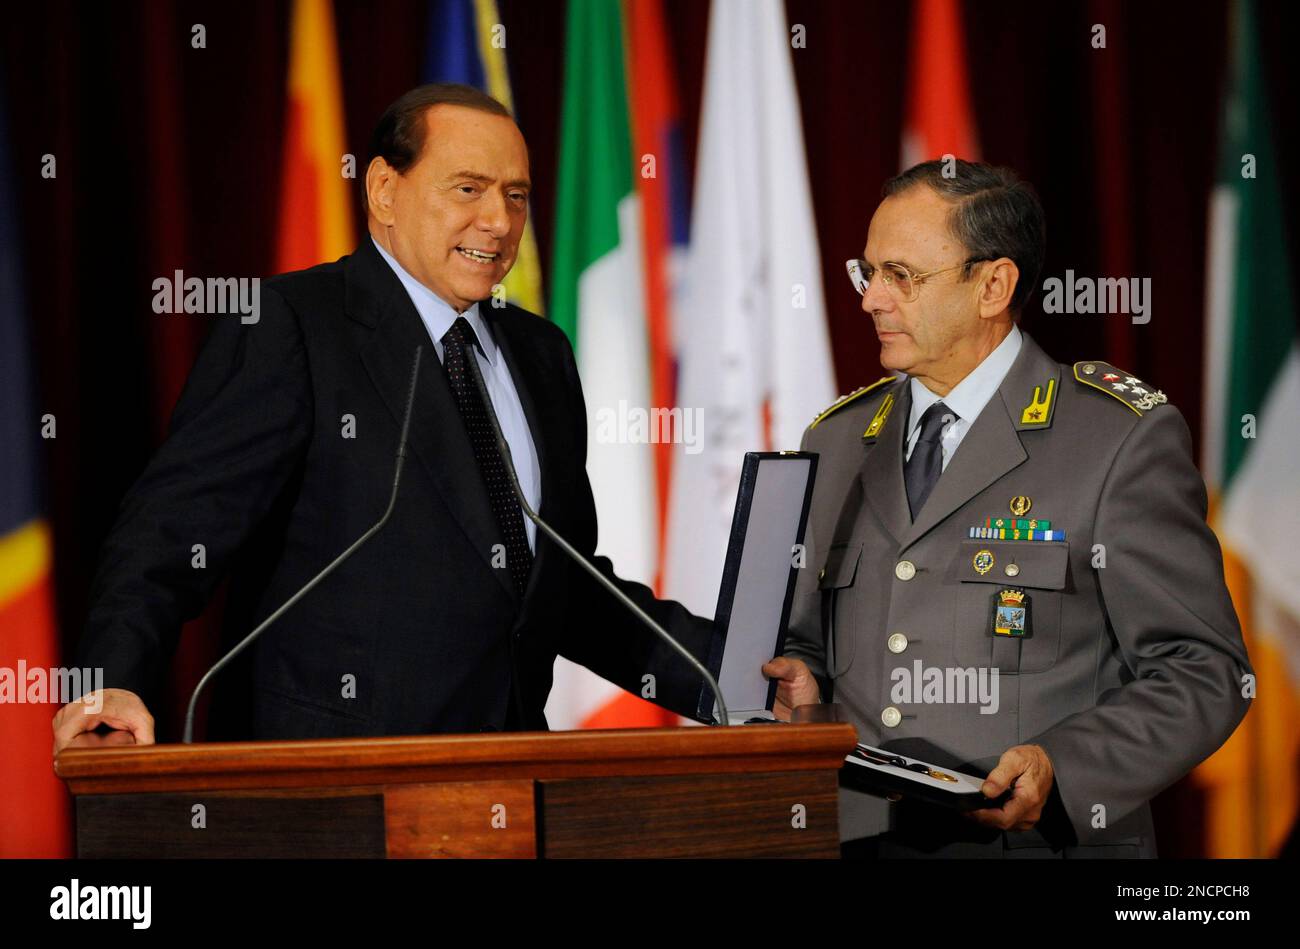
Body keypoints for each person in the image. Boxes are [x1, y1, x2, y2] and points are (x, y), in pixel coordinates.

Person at [53, 83, 710, 752]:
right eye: (468, 189)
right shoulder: (294, 328)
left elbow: (565, 588)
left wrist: (735, 678)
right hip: (327, 795)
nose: (499, 221)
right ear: (384, 191)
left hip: (508, 791)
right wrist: (110, 682)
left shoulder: (540, 354)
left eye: (515, 195)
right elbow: (168, 533)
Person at [764, 159, 1252, 858]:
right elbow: (809, 645)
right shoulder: (838, 438)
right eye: (865, 271)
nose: (871, 298)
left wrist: (1066, 766)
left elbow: (1203, 668)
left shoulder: (1115, 438)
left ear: (992, 285)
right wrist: (805, 684)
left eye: (900, 275)